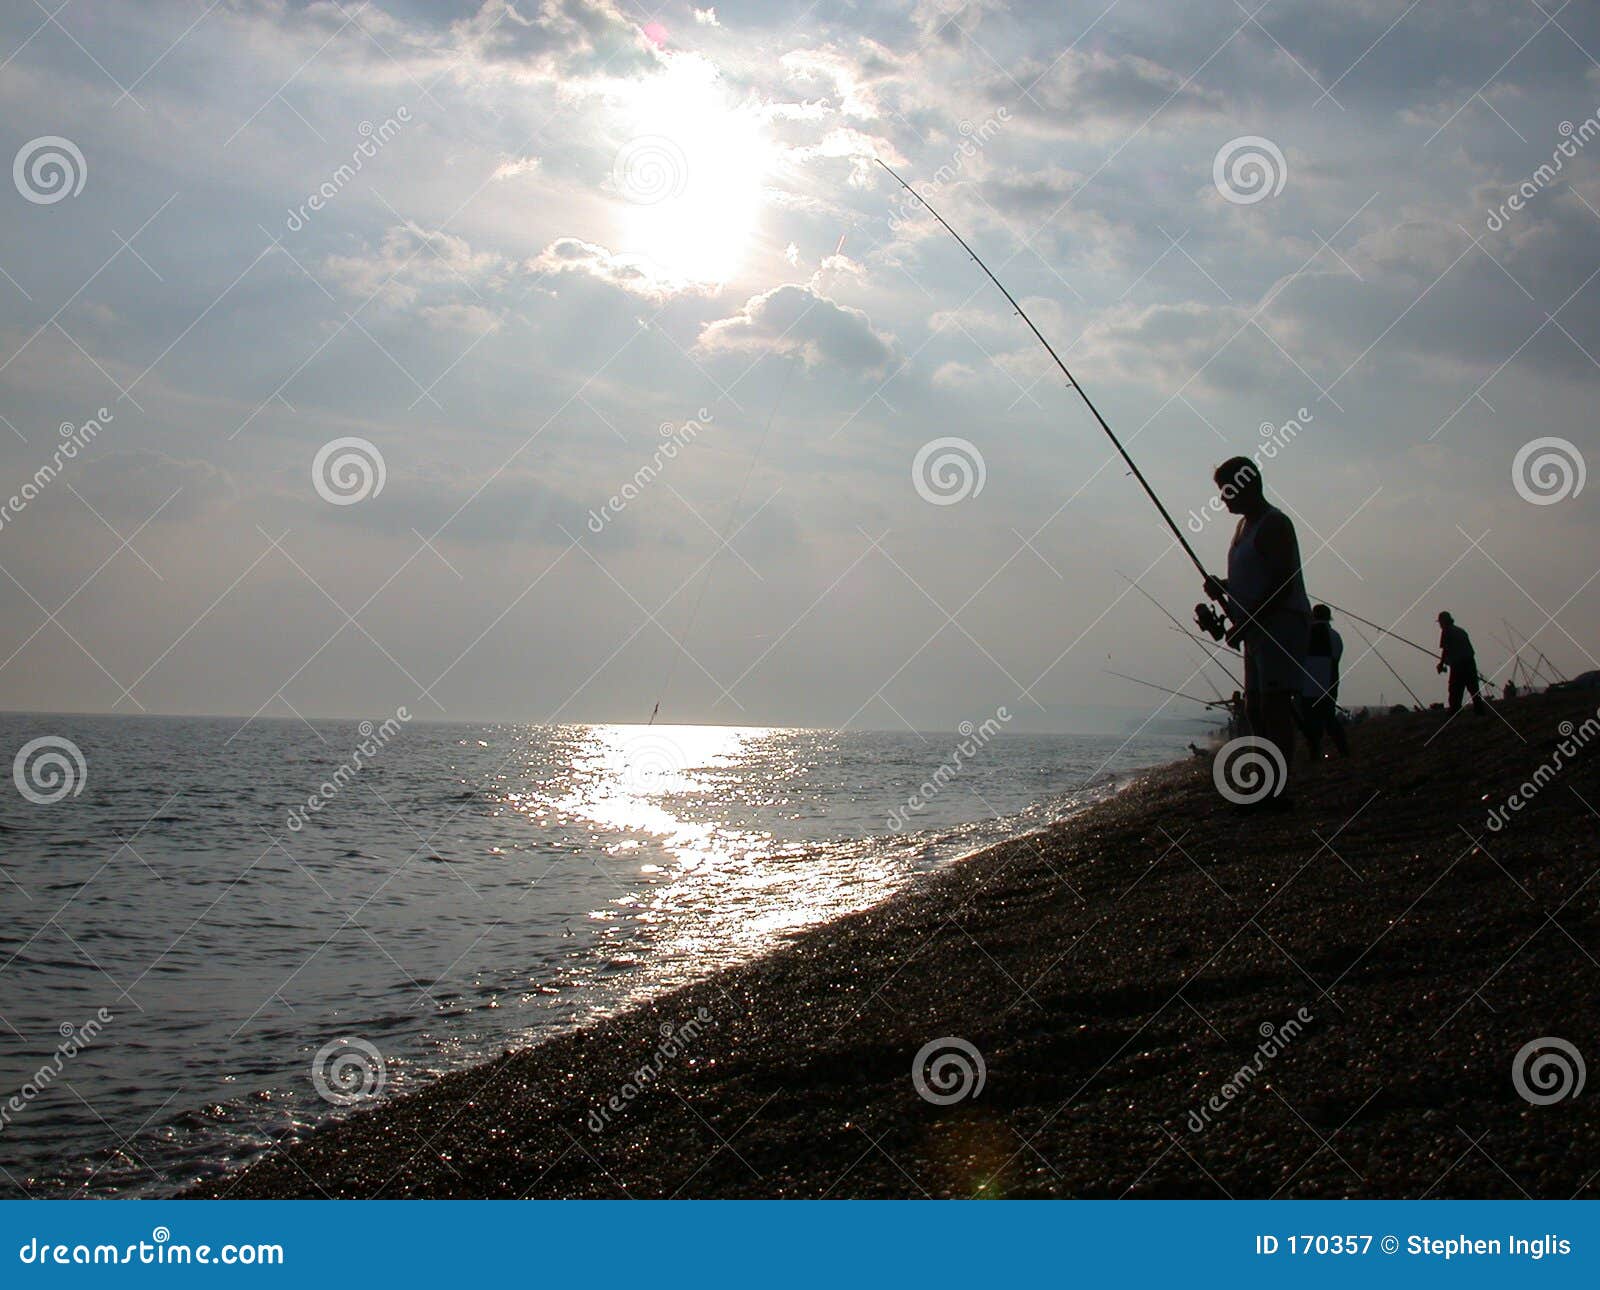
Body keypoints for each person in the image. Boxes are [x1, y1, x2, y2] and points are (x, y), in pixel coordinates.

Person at [1202, 458, 1310, 799]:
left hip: (1281, 625)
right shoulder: (1243, 528)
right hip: (1254, 630)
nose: (1223, 499)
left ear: (1248, 484)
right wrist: (1224, 587)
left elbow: (1281, 585)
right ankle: (1265, 780)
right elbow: (1251, 581)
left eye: (1227, 490)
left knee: (1274, 706)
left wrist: (1246, 623)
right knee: (1254, 707)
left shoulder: (1275, 524)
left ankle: (1277, 788)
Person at [1297, 604, 1349, 757]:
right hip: (1330, 683)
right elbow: (1337, 658)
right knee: (1329, 717)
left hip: (1307, 684)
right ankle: (1343, 749)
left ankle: (1315, 751)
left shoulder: (1304, 634)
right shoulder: (1335, 636)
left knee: (1309, 719)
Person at [1436, 611, 1486, 714]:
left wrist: (1441, 664)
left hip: (1459, 665)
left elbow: (1445, 649)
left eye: (1440, 622)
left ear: (1443, 621)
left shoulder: (1446, 631)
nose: (1440, 625)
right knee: (1473, 687)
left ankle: (1455, 710)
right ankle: (1479, 710)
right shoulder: (1461, 631)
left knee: (1455, 689)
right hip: (1470, 662)